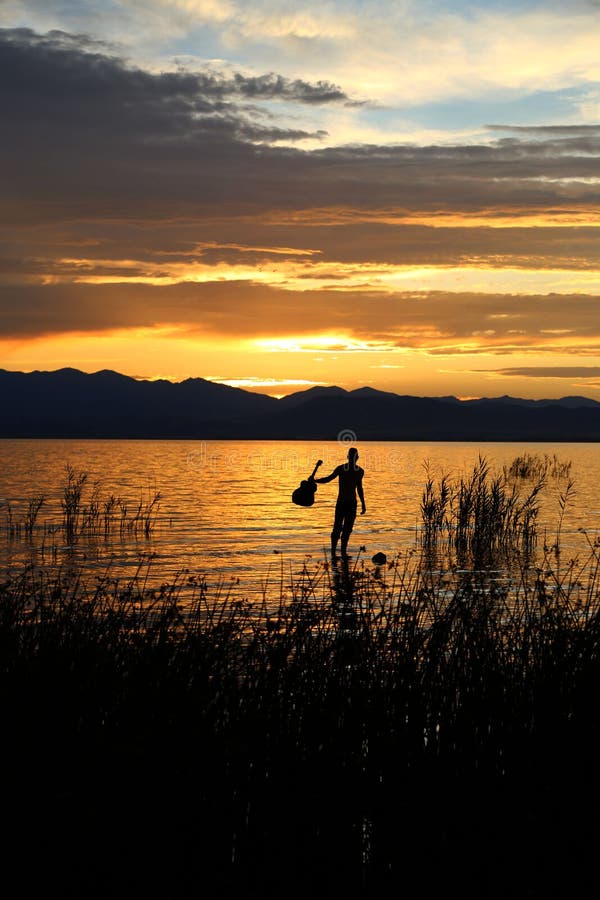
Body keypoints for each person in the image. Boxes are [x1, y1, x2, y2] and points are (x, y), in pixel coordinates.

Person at [315, 447, 366, 557]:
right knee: (339, 528)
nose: (352, 458)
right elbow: (328, 479)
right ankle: (336, 552)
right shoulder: (344, 469)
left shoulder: (357, 471)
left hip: (349, 503)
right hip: (345, 503)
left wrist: (363, 504)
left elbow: (359, 488)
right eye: (352, 457)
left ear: (355, 458)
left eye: (353, 457)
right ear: (350, 457)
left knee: (345, 528)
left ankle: (340, 551)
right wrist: (315, 480)